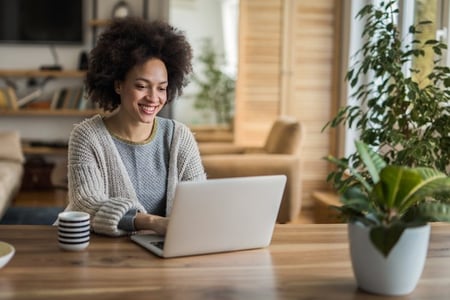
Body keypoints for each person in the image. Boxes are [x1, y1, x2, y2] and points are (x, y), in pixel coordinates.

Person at [63, 18, 206, 237]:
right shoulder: (87, 136)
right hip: (102, 251)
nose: (153, 98)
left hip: (164, 251)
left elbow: (200, 200)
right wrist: (150, 222)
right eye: (141, 86)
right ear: (118, 84)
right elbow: (86, 204)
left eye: (162, 88)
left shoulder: (179, 137)